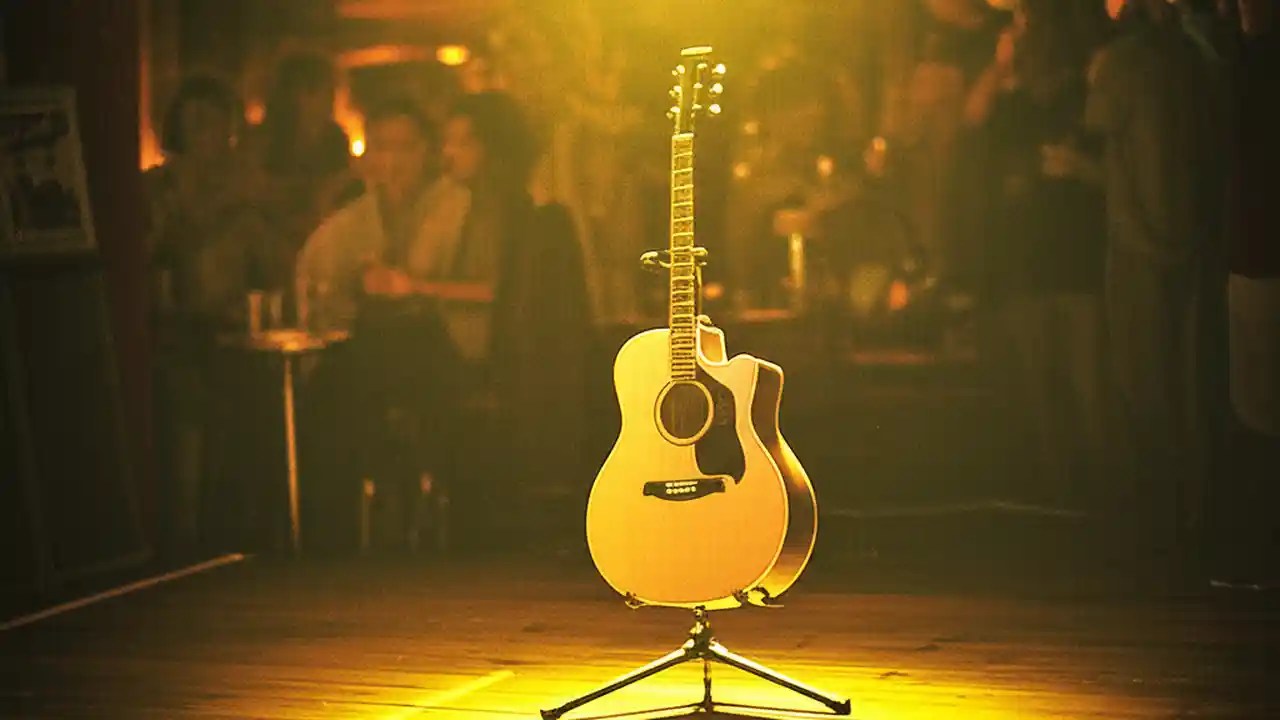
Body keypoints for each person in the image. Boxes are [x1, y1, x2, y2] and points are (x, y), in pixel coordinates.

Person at [1085, 0, 1228, 586]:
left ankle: (1150, 526)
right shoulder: (1200, 59)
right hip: (1195, 240)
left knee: (1142, 384)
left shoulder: (1123, 63)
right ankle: (1191, 520)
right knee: (1191, 386)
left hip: (1141, 243)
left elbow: (1098, 136)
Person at [963, 0, 1110, 511]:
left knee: (1085, 383)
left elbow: (1108, 171)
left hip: (1075, 254)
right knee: (1044, 385)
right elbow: (974, 120)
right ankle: (1061, 492)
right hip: (1028, 256)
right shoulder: (1013, 102)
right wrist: (1001, 66)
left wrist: (1076, 167)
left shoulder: (1080, 94)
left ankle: (1099, 490)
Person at [145, 74, 269, 556]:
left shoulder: (243, 194)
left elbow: (275, 260)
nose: (210, 136)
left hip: (235, 334)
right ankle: (184, 540)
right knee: (189, 407)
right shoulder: (156, 191)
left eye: (219, 124)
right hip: (175, 334)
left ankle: (240, 534)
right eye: (198, 124)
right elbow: (141, 257)